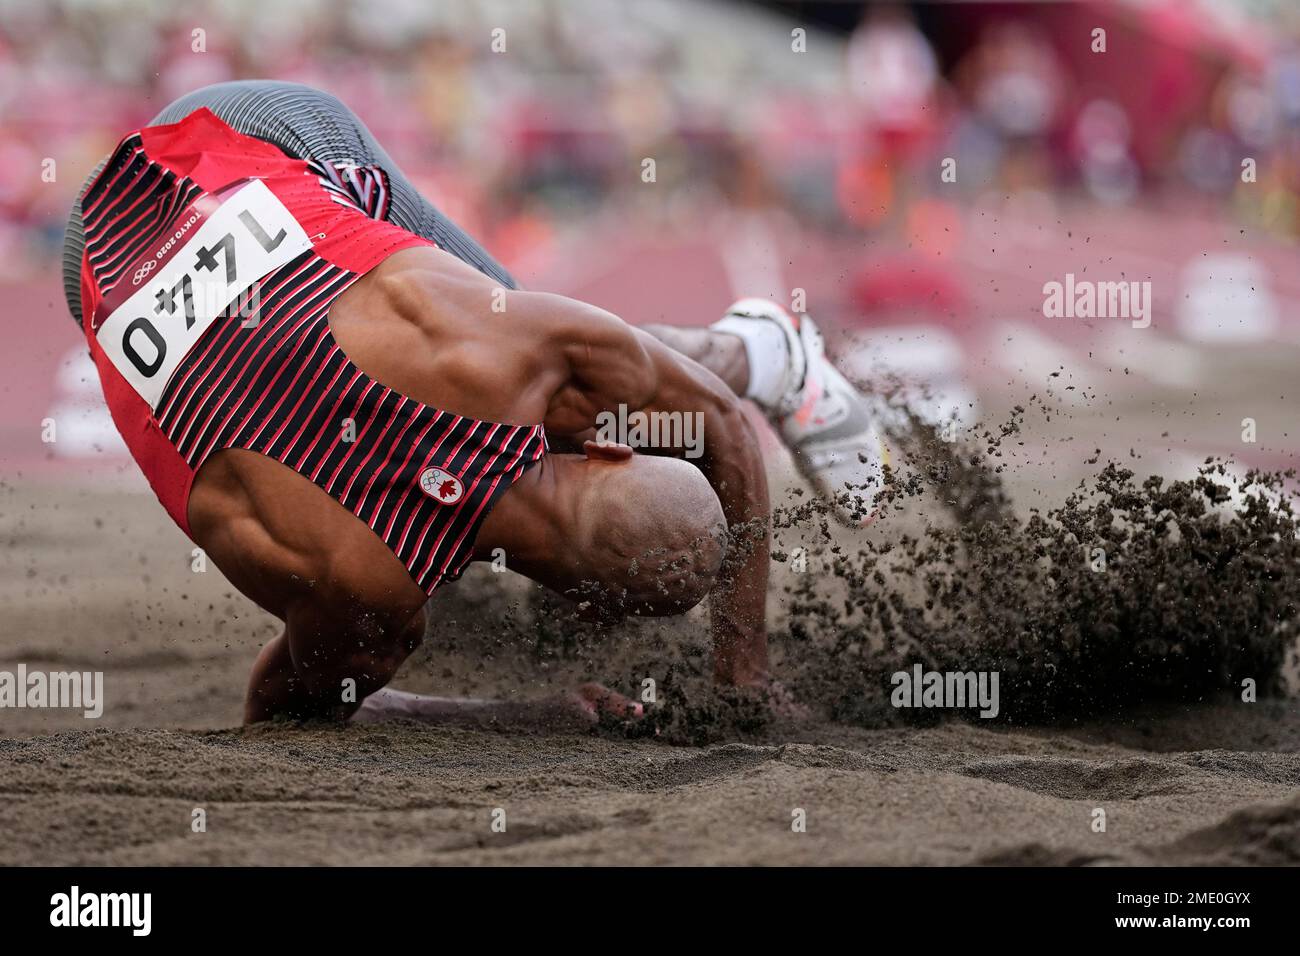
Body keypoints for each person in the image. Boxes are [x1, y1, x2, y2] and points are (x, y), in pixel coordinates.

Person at [62, 81, 882, 726]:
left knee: (535, 326)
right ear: (603, 444)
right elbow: (284, 708)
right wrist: (740, 684)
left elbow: (724, 431)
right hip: (189, 196)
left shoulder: (511, 374)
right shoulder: (369, 583)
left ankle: (766, 353)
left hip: (152, 209)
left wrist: (737, 681)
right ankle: (767, 345)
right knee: (524, 318)